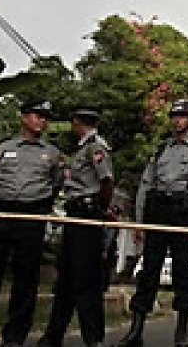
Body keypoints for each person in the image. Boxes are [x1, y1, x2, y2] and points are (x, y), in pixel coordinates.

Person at [0, 100, 64, 347]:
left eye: (45, 117)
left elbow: (56, 183)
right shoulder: (3, 148)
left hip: (31, 215)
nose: (41, 121)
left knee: (25, 278)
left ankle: (15, 336)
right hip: (0, 213)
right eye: (37, 115)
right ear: (24, 118)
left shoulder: (52, 153)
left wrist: (39, 203)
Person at [116, 99, 188, 347]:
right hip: (157, 211)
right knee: (149, 271)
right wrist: (139, 221)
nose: (178, 120)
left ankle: (181, 334)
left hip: (183, 213)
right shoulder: (160, 149)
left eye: (183, 116)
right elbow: (145, 185)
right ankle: (136, 330)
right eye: (175, 116)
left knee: (183, 272)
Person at [39, 105, 115, 347]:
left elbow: (107, 181)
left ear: (75, 122)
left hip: (87, 214)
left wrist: (100, 209)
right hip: (74, 214)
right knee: (66, 279)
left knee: (86, 280)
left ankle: (93, 338)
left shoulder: (95, 146)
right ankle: (54, 334)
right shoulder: (84, 146)